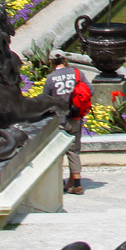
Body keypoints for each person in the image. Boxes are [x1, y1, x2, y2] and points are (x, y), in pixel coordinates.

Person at [39, 54, 90, 195]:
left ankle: (57, 182)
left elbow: (46, 99)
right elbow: (89, 91)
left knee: (57, 152)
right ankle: (77, 184)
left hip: (58, 120)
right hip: (75, 118)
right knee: (73, 151)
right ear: (64, 60)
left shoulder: (51, 78)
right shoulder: (77, 73)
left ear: (50, 62)